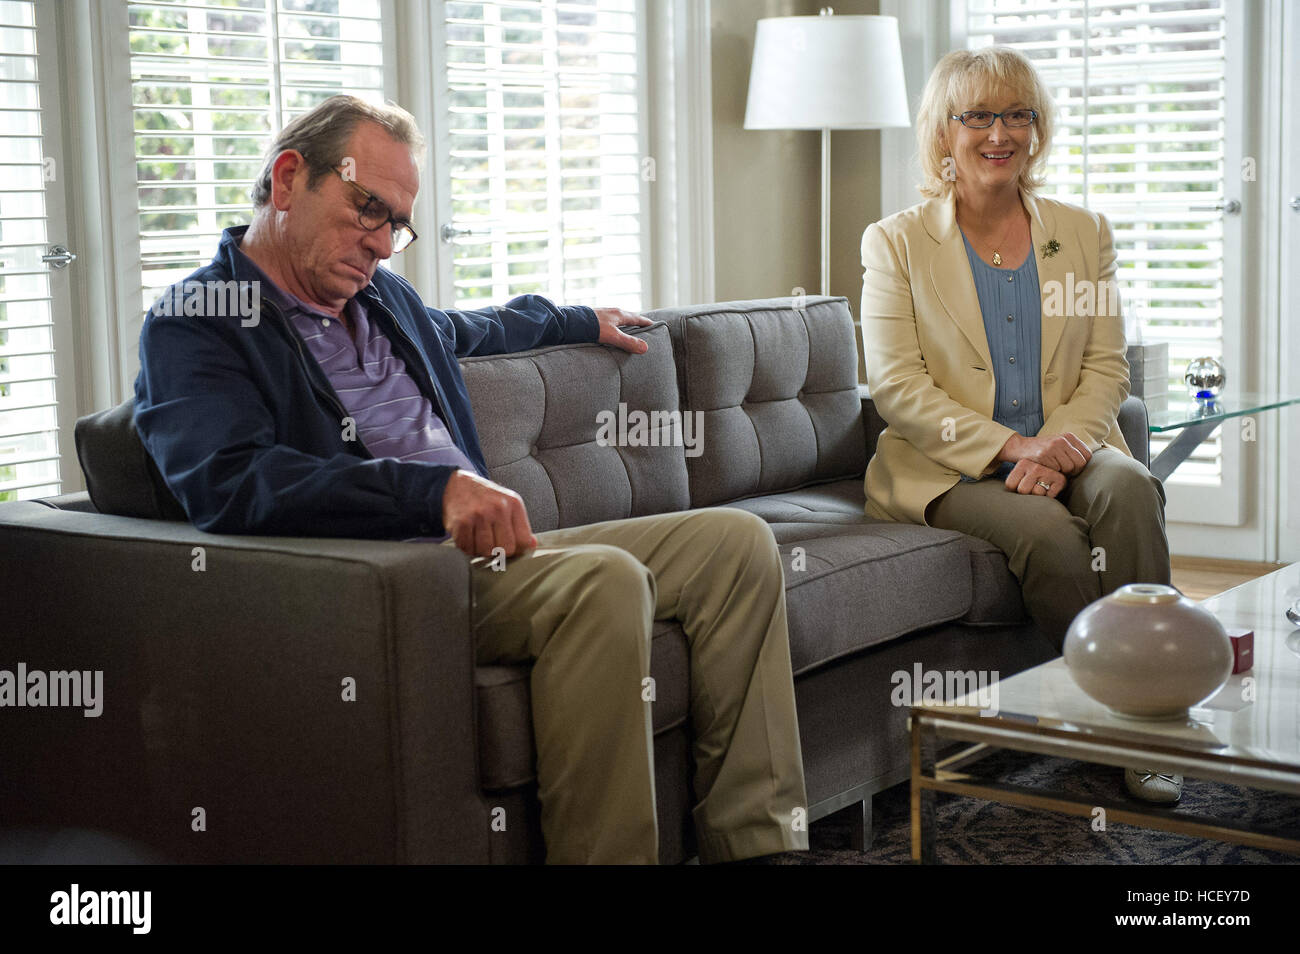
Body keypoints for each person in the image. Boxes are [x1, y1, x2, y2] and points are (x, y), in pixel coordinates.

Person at [133, 95, 809, 863]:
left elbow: (467, 328)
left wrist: (577, 318)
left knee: (735, 545)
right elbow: (233, 482)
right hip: (401, 575)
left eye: (397, 224)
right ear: (289, 179)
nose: (384, 244)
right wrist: (432, 493)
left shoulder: (378, 295)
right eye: (367, 211)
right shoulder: (197, 320)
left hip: (495, 552)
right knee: (605, 582)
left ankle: (760, 846)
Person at [859, 49, 1176, 803]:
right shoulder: (896, 242)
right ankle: (1125, 725)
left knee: (1130, 490)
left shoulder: (1082, 233)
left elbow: (1106, 369)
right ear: (944, 132)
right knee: (1048, 534)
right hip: (949, 464)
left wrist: (1059, 450)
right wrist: (1013, 448)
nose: (998, 133)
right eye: (977, 116)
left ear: (1037, 129)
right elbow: (898, 388)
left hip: (1068, 442)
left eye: (1016, 114)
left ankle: (1159, 712)